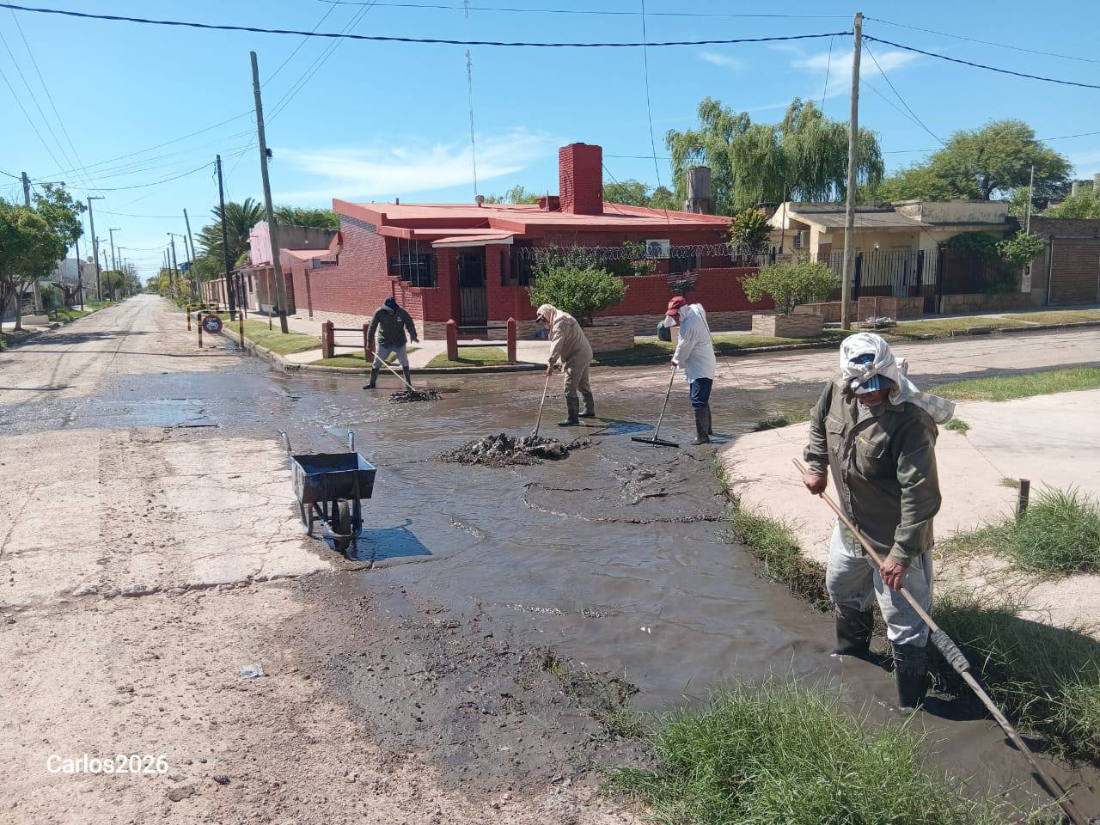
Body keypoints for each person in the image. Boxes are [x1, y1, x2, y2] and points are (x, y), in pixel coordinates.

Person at [801, 332, 955, 711]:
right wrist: (816, 466)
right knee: (841, 589)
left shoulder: (911, 423)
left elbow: (922, 496)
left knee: (905, 622)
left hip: (894, 539)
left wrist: (901, 556)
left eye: (878, 386)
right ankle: (853, 659)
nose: (871, 394)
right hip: (850, 526)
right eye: (862, 388)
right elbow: (818, 423)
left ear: (890, 375)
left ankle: (911, 706)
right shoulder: (836, 389)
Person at [663, 295, 716, 445]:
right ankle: (707, 430)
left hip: (701, 365)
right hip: (701, 363)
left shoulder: (689, 326)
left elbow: (683, 348)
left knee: (698, 400)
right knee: (701, 397)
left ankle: (702, 436)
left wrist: (675, 360)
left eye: (676, 314)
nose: (676, 317)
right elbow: (699, 306)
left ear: (683, 310)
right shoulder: (695, 309)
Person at [536, 304, 594, 426]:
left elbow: (557, 345)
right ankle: (589, 410)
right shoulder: (563, 317)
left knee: (569, 386)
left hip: (577, 356)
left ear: (548, 313)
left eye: (544, 319)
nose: (544, 322)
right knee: (583, 384)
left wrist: (551, 363)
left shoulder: (559, 323)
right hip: (584, 353)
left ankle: (572, 418)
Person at [364, 297, 419, 390]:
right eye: (387, 309)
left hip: (399, 341)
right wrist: (369, 343)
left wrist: (413, 335)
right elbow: (372, 327)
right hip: (384, 341)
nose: (388, 311)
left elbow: (409, 324)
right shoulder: (379, 312)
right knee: (377, 362)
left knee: (404, 361)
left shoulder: (402, 312)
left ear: (394, 308)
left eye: (390, 309)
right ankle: (371, 383)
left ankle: (408, 384)